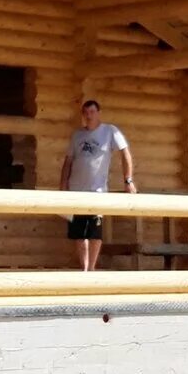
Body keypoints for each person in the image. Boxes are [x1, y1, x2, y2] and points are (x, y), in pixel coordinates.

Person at [59, 99, 135, 271]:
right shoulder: (77, 135)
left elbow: (125, 152)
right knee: (79, 232)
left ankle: (92, 267)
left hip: (97, 190)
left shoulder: (109, 131)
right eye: (86, 113)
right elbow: (68, 161)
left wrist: (128, 180)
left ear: (98, 113)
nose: (89, 116)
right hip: (76, 189)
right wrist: (63, 185)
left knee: (94, 231)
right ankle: (84, 268)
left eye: (92, 112)